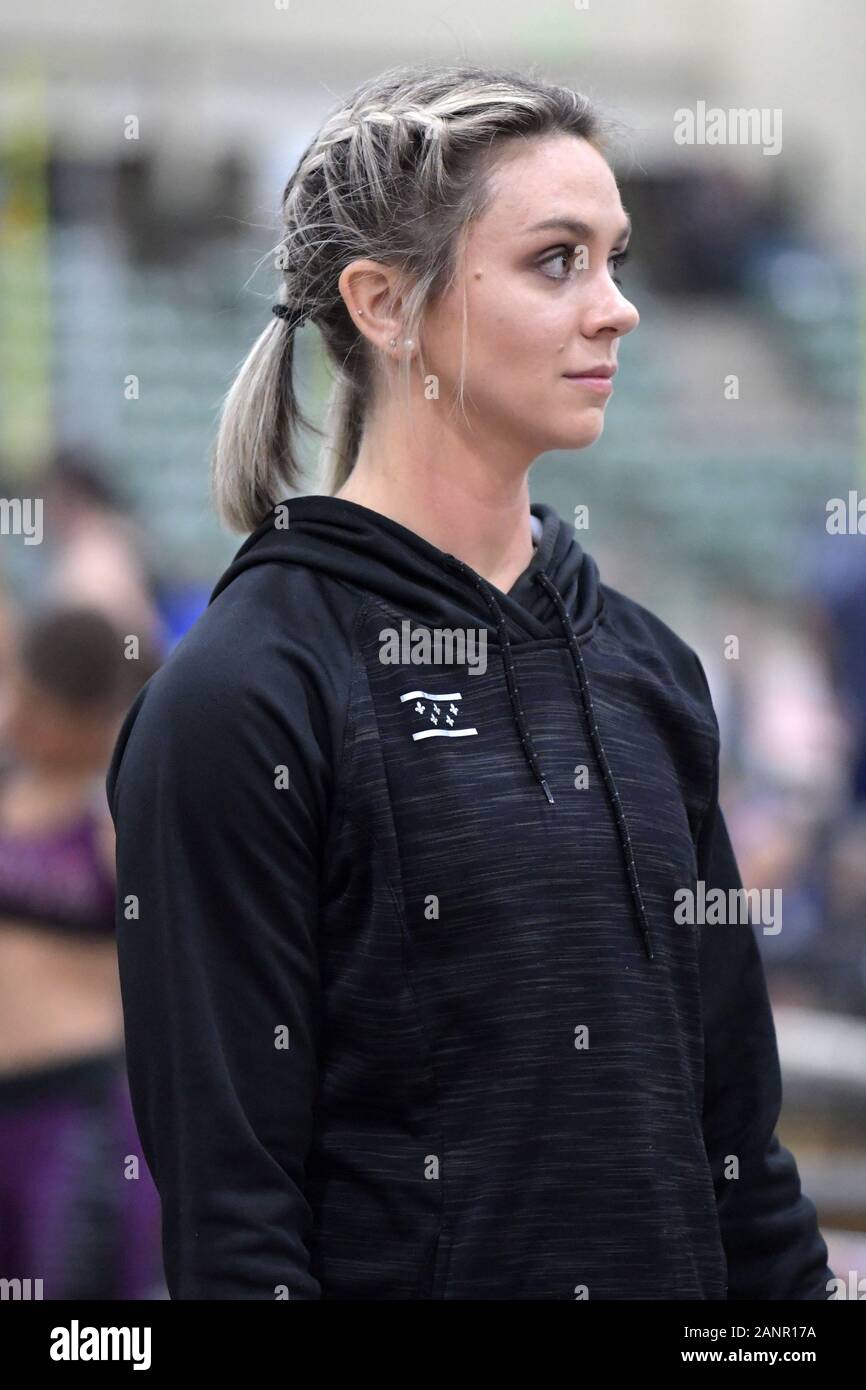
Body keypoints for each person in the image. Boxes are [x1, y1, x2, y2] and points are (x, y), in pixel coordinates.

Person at [106, 61, 835, 1300]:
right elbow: (237, 1227)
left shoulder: (650, 671)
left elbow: (738, 1158)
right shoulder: (244, 695)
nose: (616, 309)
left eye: (615, 258)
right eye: (557, 260)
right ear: (385, 305)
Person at [0, 604, 164, 1299]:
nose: (21, 719)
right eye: (22, 698)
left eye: (43, 710)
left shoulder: (116, 821)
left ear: (96, 722)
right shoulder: (10, 790)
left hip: (74, 1116)